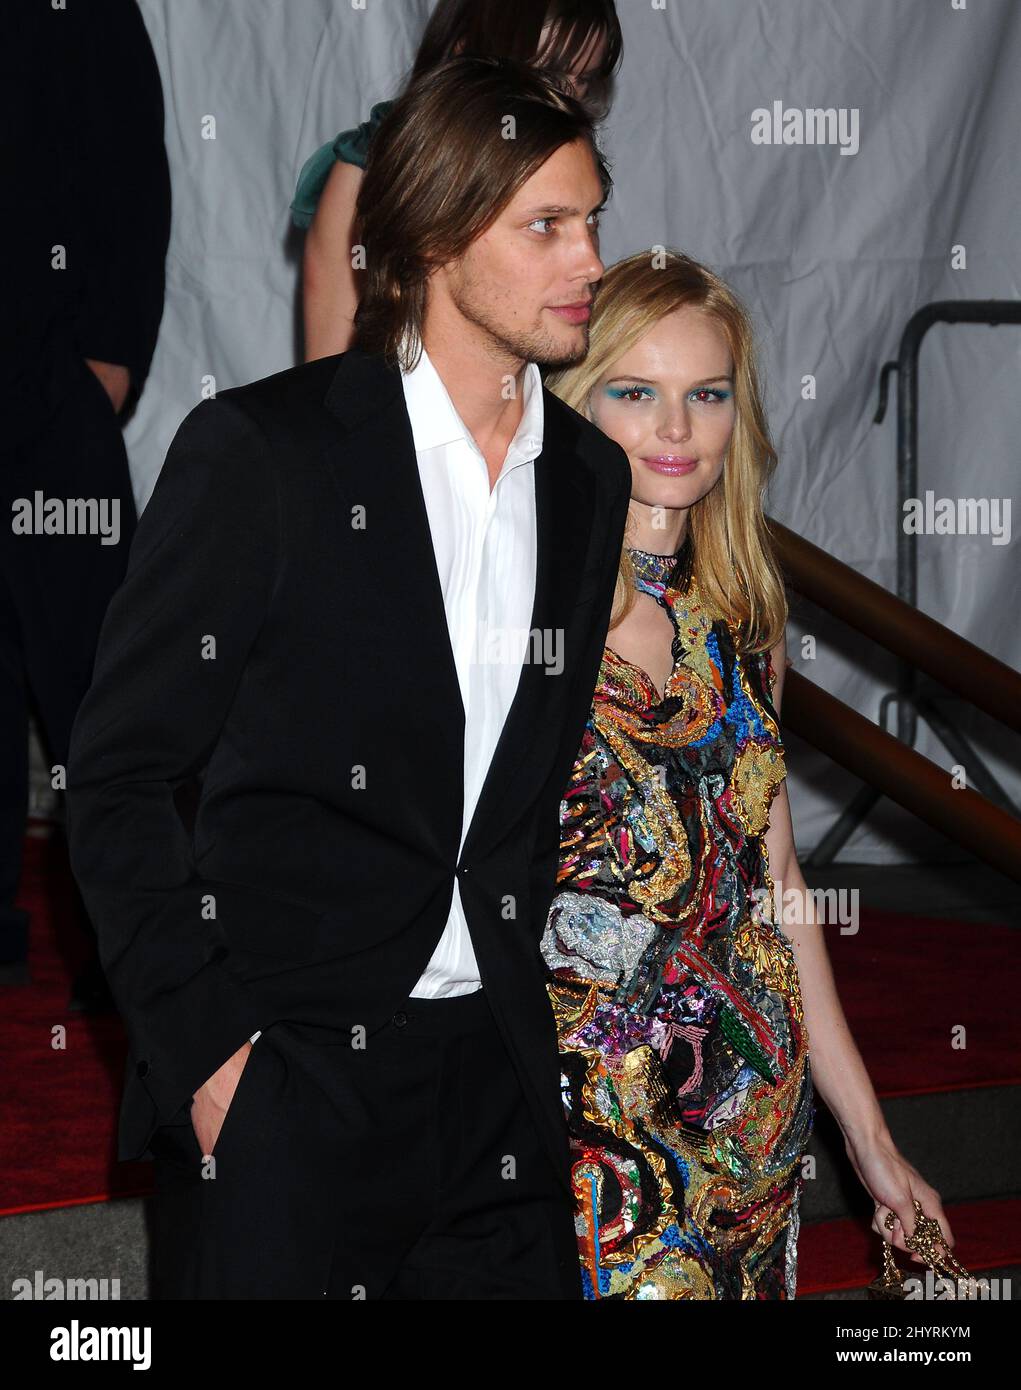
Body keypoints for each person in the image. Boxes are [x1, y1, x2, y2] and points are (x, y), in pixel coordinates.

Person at [65, 57, 631, 1300]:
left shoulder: (590, 481)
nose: (590, 260)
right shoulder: (268, 455)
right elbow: (114, 779)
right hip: (291, 1080)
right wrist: (211, 1056)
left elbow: (519, 806)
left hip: (496, 1093)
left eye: (592, 219)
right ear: (433, 235)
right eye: (546, 225)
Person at [540, 249, 953, 1299]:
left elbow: (779, 891)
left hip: (757, 1132)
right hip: (590, 1135)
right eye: (635, 392)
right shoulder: (523, 626)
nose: (675, 428)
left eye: (706, 394)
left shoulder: (735, 628)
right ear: (573, 405)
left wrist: (867, 1141)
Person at [1, 0, 171, 1007]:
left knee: (103, 700)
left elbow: (130, 179)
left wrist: (105, 368)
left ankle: (140, 958)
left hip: (48, 396)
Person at [292, 0, 622, 360]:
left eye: (584, 80)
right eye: (547, 75)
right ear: (468, 55)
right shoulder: (369, 168)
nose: (567, 98)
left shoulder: (574, 172)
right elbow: (326, 374)